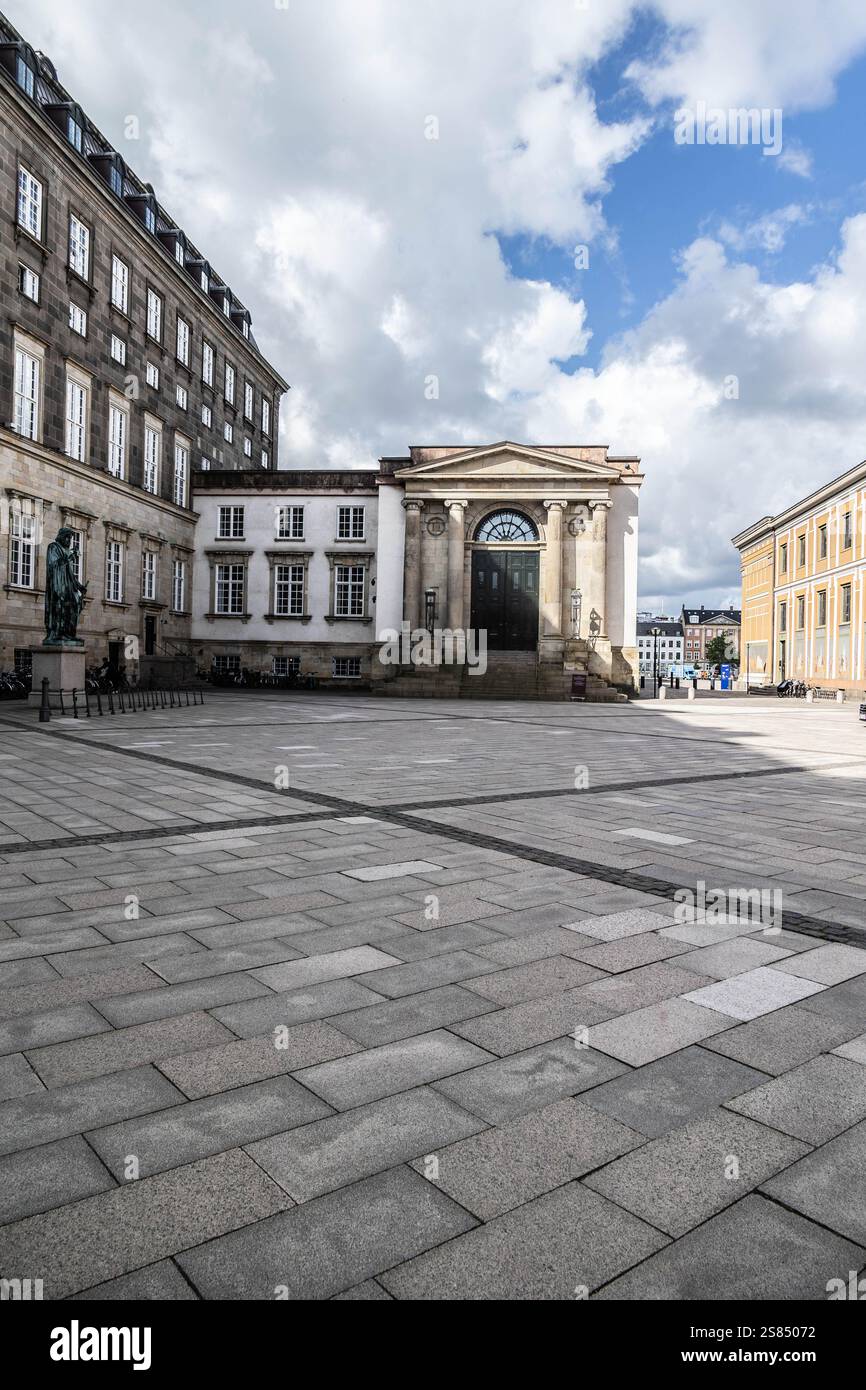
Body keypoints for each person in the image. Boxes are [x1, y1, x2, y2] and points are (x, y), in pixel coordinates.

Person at [44, 528, 87, 644]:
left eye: (70, 538)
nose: (69, 540)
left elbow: (70, 573)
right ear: (61, 537)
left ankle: (69, 634)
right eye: (67, 537)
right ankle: (58, 634)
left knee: (74, 605)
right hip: (57, 585)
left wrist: (79, 586)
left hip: (68, 586)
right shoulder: (53, 547)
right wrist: (69, 558)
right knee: (60, 608)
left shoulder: (66, 551)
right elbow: (53, 565)